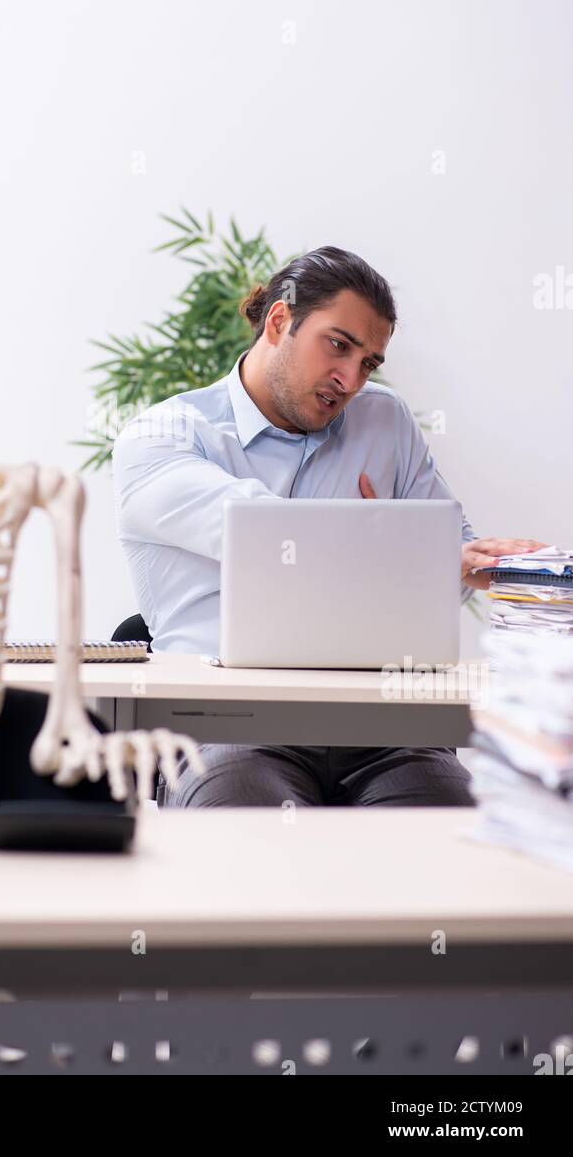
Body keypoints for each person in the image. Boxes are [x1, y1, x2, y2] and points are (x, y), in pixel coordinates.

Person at [112, 246, 544, 808]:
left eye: (367, 363)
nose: (350, 379)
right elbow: (259, 534)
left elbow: (447, 558)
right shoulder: (164, 435)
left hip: (388, 729)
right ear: (279, 321)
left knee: (454, 832)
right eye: (338, 345)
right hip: (231, 728)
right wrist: (392, 542)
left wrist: (482, 564)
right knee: (246, 833)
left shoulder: (384, 421)